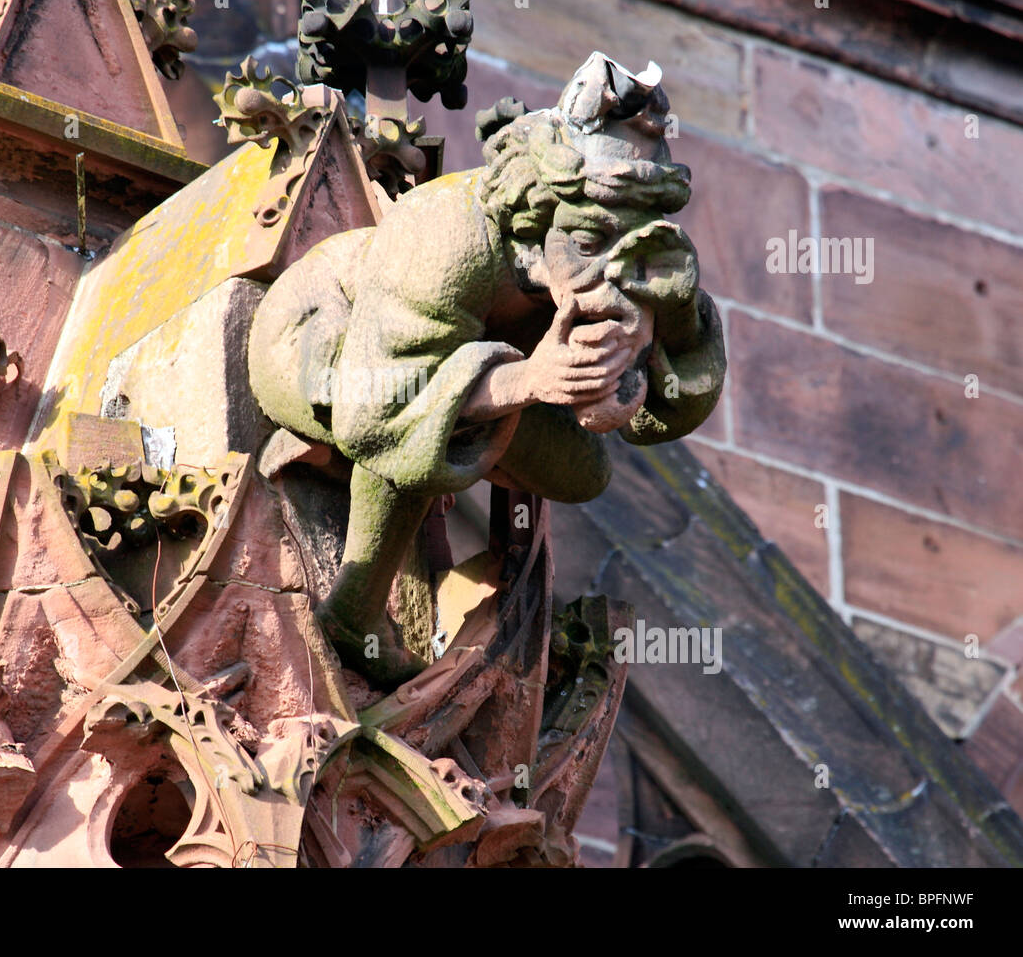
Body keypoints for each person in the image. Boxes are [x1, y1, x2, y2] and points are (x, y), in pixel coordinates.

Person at [248, 52, 726, 686]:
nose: (607, 267)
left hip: (437, 360)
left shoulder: (615, 258)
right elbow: (376, 409)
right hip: (319, 345)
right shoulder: (448, 236)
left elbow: (664, 415)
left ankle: (473, 457)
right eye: (587, 241)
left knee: (584, 472)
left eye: (626, 242)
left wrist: (658, 336)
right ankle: (354, 611)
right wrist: (528, 382)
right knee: (424, 427)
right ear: (539, 208)